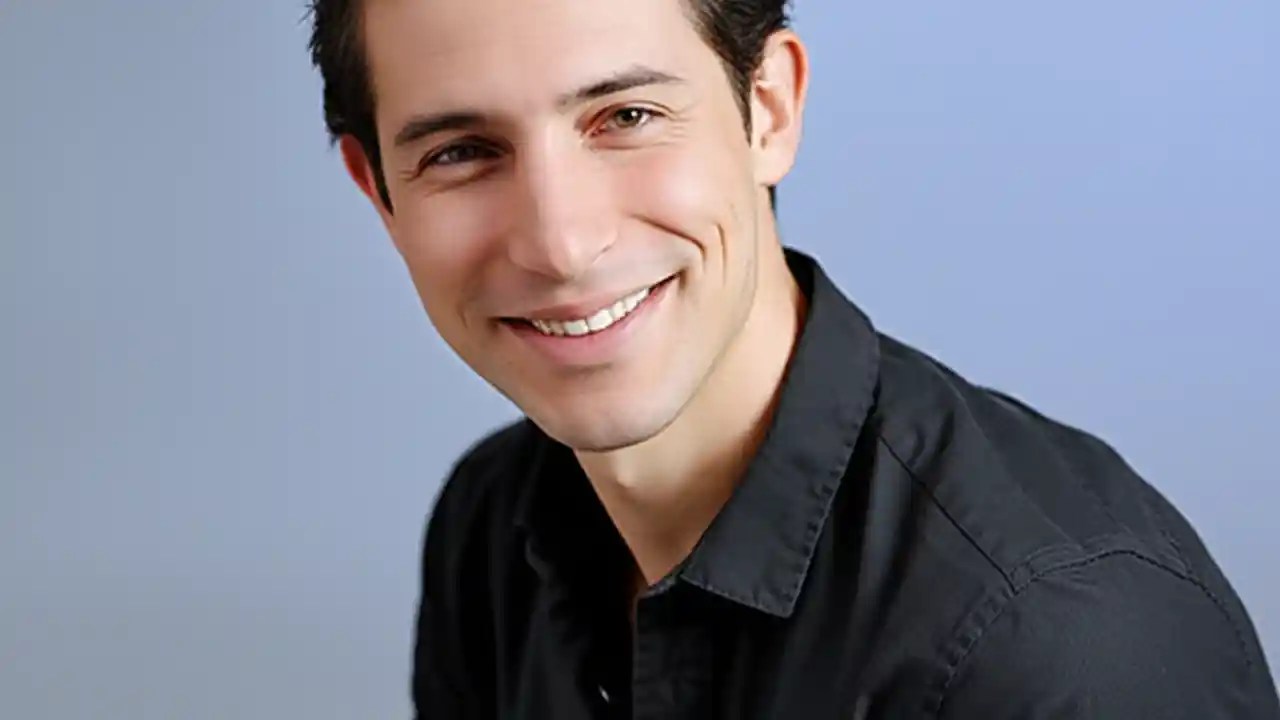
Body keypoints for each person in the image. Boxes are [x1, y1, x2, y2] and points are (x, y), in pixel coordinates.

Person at [307, 0, 1280, 717]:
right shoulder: (489, 528)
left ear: (766, 109)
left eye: (626, 117)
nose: (559, 244)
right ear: (375, 190)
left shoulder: (1059, 645)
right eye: (463, 152)